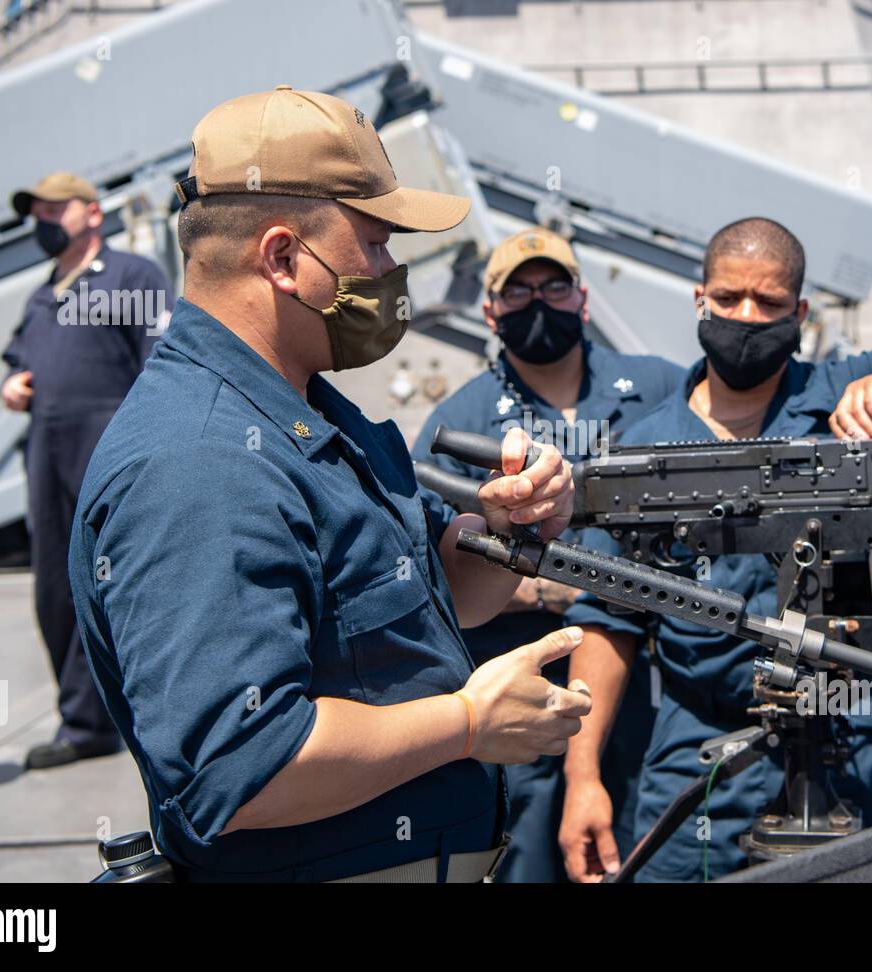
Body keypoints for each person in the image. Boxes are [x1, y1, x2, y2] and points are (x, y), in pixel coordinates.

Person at [67, 85, 589, 882]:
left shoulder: (300, 406)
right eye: (374, 245)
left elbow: (415, 619)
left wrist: (503, 527)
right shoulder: (200, 463)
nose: (390, 271)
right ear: (281, 259)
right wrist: (468, 724)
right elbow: (241, 766)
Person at [559, 217, 872, 882]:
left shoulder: (853, 392)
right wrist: (583, 778)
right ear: (699, 298)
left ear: (802, 312)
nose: (747, 318)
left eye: (770, 303)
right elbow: (606, 619)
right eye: (728, 300)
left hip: (849, 745)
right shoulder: (644, 451)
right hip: (702, 754)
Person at [411, 227, 684, 881]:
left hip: (645, 692)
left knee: (642, 851)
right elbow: (432, 567)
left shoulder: (659, 388)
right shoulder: (460, 421)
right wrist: (553, 589)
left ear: (583, 299)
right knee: (529, 858)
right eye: (519, 291)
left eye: (554, 286)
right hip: (519, 699)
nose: (539, 302)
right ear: (490, 311)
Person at [1, 171, 171, 770]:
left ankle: (160, 712)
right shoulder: (44, 290)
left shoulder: (132, 277)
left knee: (131, 582)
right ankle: (84, 721)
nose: (43, 224)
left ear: (92, 213)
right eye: (37, 214)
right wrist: (13, 386)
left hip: (109, 450)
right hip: (48, 450)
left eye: (55, 210)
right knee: (56, 584)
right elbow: (19, 360)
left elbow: (159, 368)